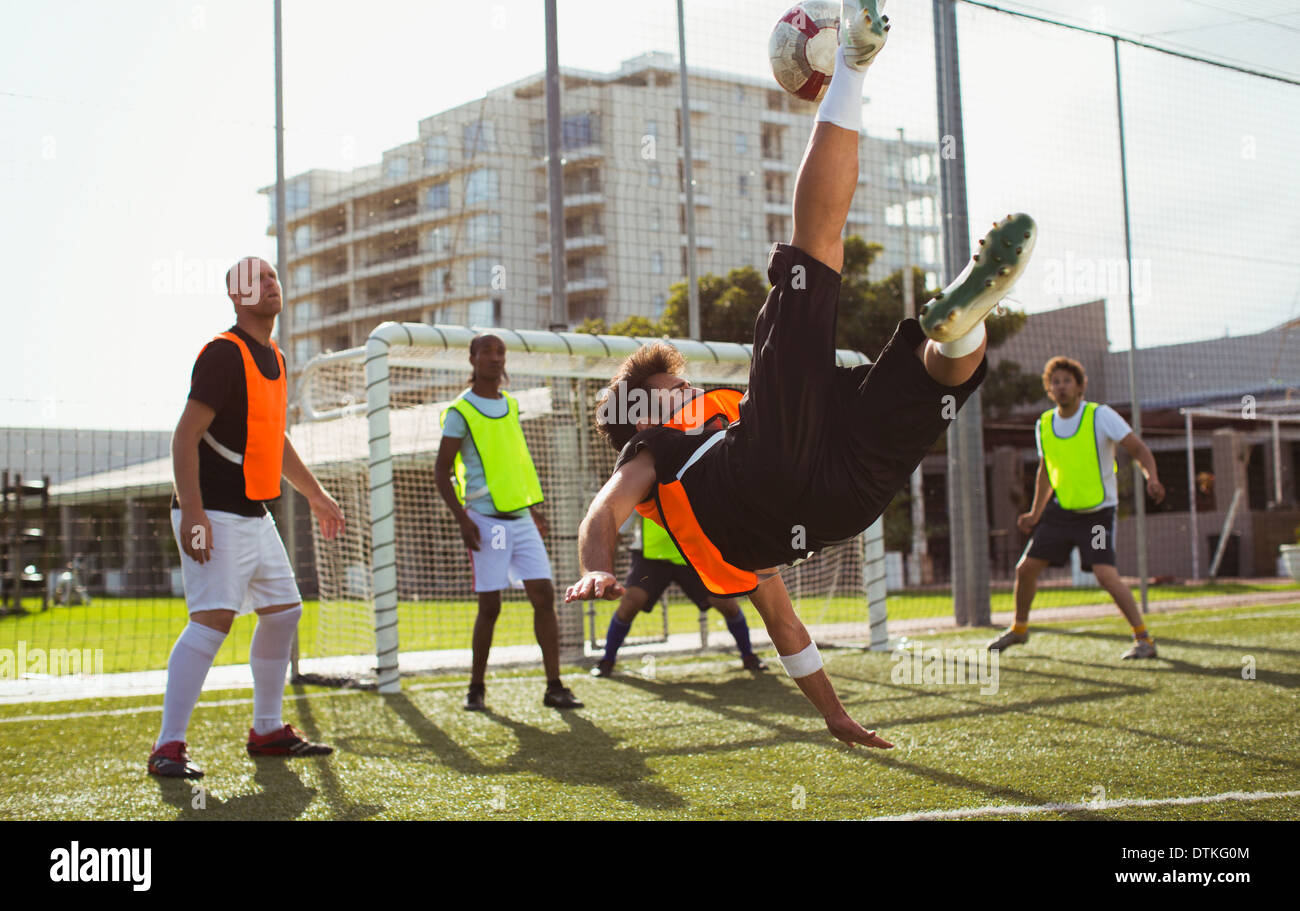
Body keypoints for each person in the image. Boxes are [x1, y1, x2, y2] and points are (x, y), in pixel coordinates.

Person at [564, 1, 1036, 748]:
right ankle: (852, 61)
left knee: (933, 375)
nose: (682, 392)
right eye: (664, 391)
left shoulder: (710, 519)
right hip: (771, 460)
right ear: (638, 416)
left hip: (836, 505)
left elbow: (785, 623)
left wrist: (835, 713)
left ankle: (963, 322)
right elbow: (601, 513)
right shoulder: (655, 452)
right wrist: (593, 566)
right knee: (815, 254)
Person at [150, 256, 346, 779]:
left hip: (254, 513)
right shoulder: (221, 353)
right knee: (212, 621)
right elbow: (185, 435)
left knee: (283, 611)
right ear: (237, 297)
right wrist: (192, 511)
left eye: (273, 276)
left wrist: (316, 495)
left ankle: (267, 731)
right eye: (257, 280)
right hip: (211, 509)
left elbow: (274, 441)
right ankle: (168, 746)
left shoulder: (276, 358)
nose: (270, 285)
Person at [434, 333, 583, 711]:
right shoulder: (461, 411)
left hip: (521, 519)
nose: (495, 357)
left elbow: (513, 465)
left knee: (544, 596)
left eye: (500, 351)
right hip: (490, 525)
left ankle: (554, 687)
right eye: (487, 351)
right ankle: (476, 688)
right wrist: (462, 519)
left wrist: (531, 509)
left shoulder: (512, 406)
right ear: (472, 359)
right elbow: (441, 472)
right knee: (491, 606)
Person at [988, 356, 1166, 658]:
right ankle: (1019, 630)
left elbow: (1137, 448)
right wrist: (1035, 513)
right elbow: (1046, 472)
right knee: (1026, 569)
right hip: (1062, 511)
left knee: (1105, 574)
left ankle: (1143, 639)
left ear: (1080, 386)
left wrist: (1152, 477)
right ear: (1049, 388)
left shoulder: (1100, 415)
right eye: (1055, 382)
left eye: (1067, 381)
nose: (1061, 387)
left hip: (1097, 513)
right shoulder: (1044, 424)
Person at [591, 513, 768, 677]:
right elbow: (619, 532)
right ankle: (607, 660)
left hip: (691, 556)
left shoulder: (694, 484)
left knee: (727, 604)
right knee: (630, 603)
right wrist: (607, 571)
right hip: (651, 559)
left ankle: (748, 656)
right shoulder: (641, 486)